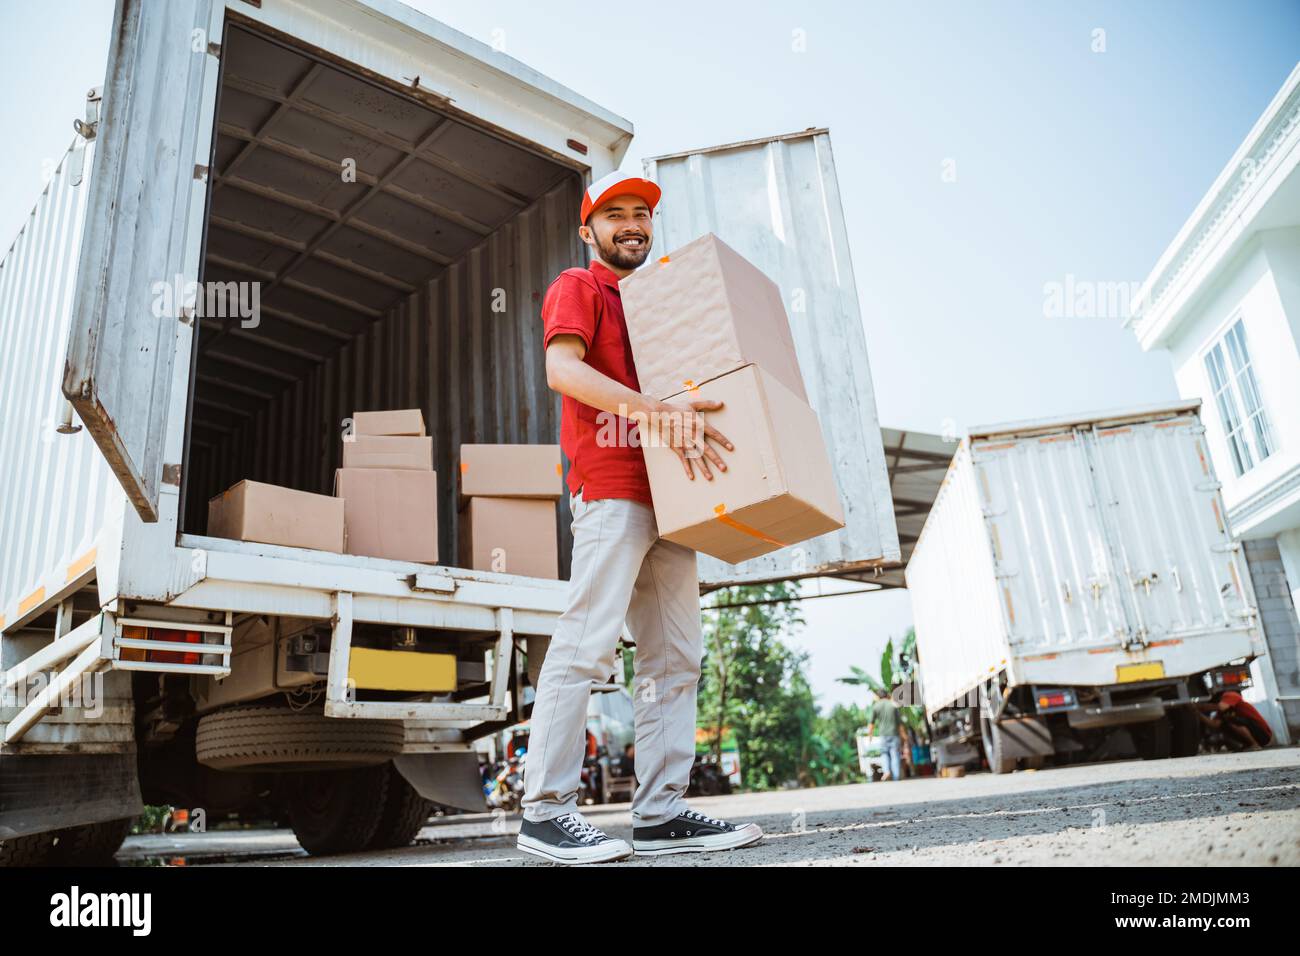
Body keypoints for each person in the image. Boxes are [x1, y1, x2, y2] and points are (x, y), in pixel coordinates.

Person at [515, 171, 764, 865]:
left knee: (677, 657)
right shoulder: (579, 286)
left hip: (673, 495)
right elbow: (564, 372)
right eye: (615, 214)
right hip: (612, 486)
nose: (632, 224)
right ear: (587, 230)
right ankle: (544, 812)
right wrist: (658, 416)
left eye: (642, 215)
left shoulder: (662, 307)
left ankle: (658, 814)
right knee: (586, 647)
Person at [1195, 691, 1273, 751]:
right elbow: (1214, 724)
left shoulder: (1230, 695)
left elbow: (1222, 706)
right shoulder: (1222, 711)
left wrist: (1199, 706)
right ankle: (1247, 745)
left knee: (1232, 720)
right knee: (1223, 725)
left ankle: (1255, 745)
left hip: (1263, 734)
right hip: (1256, 734)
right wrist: (1196, 713)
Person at [867, 688, 903, 781]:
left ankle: (887, 771)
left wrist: (870, 735)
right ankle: (896, 776)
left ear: (878, 696)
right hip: (894, 734)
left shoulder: (876, 706)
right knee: (895, 754)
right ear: (887, 695)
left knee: (884, 753)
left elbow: (871, 723)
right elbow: (899, 723)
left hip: (883, 734)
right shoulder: (893, 705)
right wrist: (904, 735)